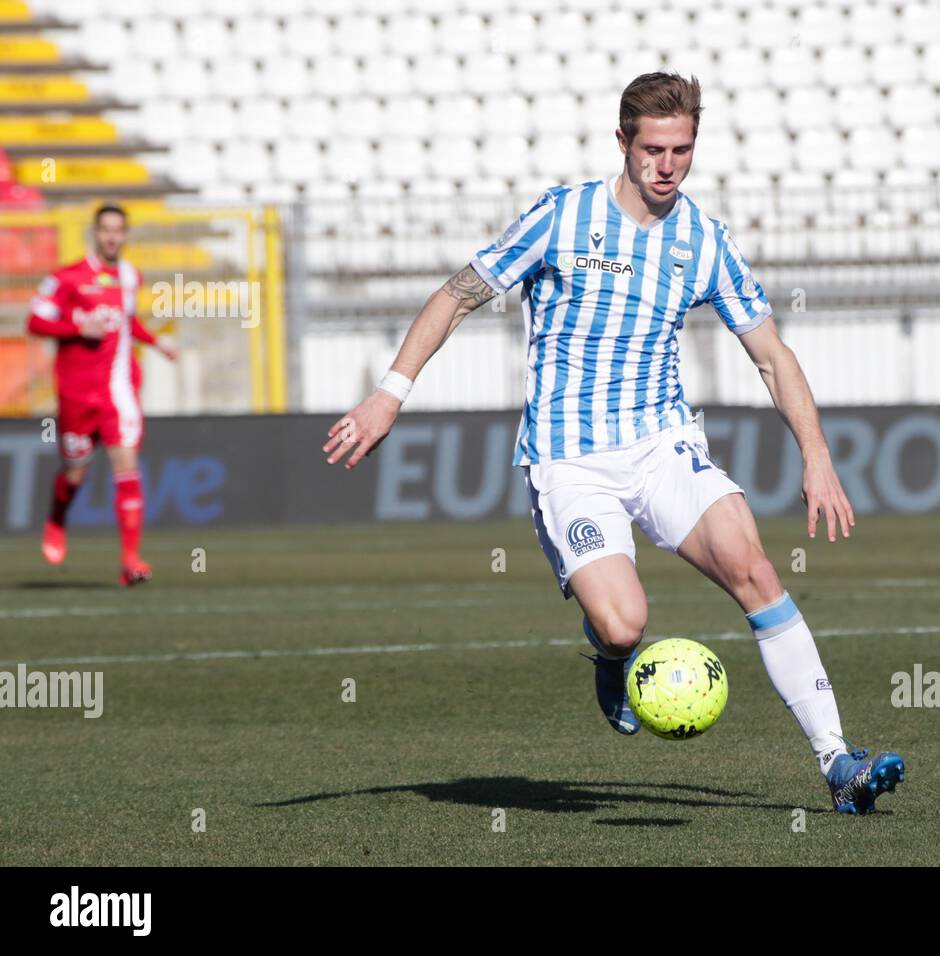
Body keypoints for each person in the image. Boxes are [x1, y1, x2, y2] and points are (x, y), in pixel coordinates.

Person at [324, 73, 904, 814]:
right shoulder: (563, 218)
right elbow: (456, 294)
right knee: (624, 620)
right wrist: (389, 394)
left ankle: (839, 766)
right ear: (623, 142)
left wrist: (816, 456)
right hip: (570, 459)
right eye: (653, 149)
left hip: (662, 443)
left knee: (755, 568)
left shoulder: (703, 239)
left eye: (682, 150)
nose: (667, 166)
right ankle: (612, 654)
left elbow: (771, 353)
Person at [27, 202, 177, 586]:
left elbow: (127, 323)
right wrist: (77, 329)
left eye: (119, 230)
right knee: (75, 472)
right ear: (95, 233)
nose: (112, 236)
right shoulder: (66, 278)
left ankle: (131, 561)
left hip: (118, 388)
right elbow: (35, 321)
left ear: (126, 235)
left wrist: (157, 342)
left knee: (126, 466)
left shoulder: (130, 276)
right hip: (77, 395)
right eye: (106, 229)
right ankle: (58, 516)